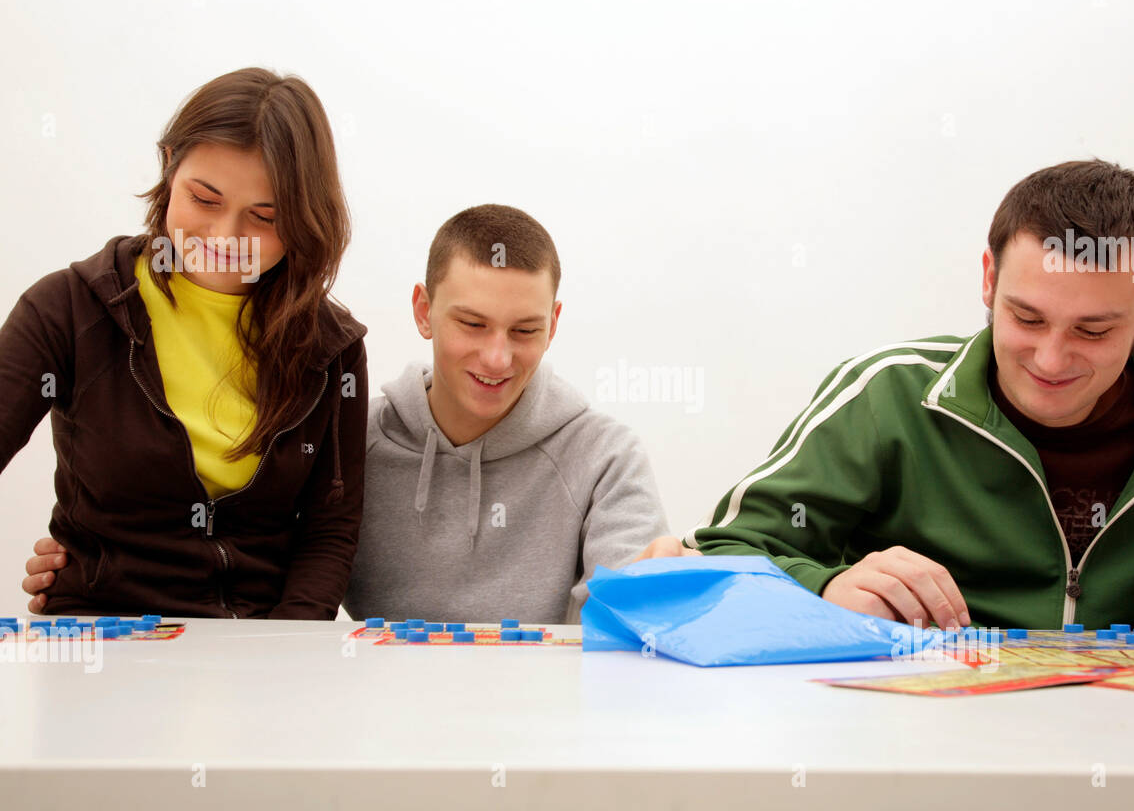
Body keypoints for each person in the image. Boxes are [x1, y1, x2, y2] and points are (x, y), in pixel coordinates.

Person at [641, 160, 1134, 634]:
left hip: (1105, 736)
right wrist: (829, 586)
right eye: (1027, 317)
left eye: (1094, 331)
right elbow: (722, 555)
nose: (1050, 359)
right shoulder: (888, 395)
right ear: (988, 279)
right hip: (899, 732)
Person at [9, 68, 367, 620]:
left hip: (260, 647)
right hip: (102, 637)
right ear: (170, 167)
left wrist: (287, 655)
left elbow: (329, 530)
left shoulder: (332, 347)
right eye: (204, 199)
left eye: (264, 217)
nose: (224, 238)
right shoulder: (67, 308)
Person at [341, 204, 667, 623]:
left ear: (552, 325)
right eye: (473, 324)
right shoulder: (351, 439)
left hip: (546, 690)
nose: (497, 359)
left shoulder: (607, 456)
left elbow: (624, 629)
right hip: (377, 688)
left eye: (524, 331)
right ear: (424, 311)